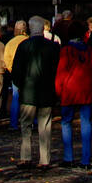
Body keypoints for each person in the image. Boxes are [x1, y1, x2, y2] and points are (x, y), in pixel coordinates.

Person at [12, 15, 61, 170]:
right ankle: (45, 159)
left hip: (28, 92)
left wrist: (19, 85)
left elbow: (16, 71)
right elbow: (57, 70)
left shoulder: (23, 46)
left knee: (26, 125)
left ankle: (26, 157)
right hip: (47, 91)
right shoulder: (53, 47)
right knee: (45, 126)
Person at [55, 19, 92, 169]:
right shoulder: (90, 51)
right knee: (86, 123)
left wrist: (58, 91)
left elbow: (60, 73)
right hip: (86, 91)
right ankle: (85, 159)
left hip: (69, 90)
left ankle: (69, 157)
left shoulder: (66, 51)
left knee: (66, 122)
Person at [4, 20, 29, 130]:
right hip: (28, 73)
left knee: (15, 97)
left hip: (16, 73)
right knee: (29, 98)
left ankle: (14, 123)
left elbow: (7, 60)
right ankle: (33, 121)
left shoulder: (11, 43)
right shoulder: (28, 40)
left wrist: (12, 70)